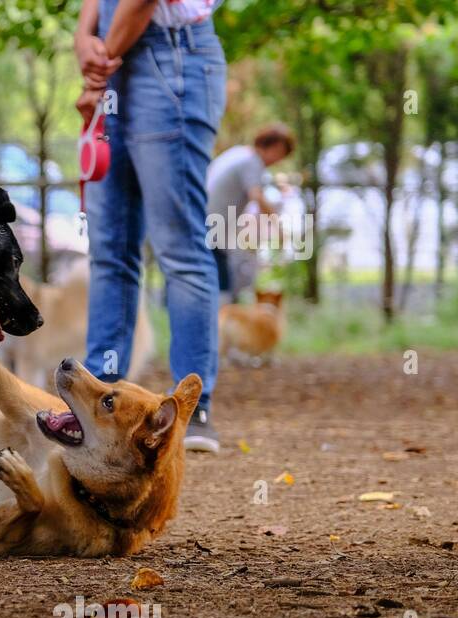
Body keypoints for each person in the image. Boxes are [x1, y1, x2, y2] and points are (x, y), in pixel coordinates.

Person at [74, 0, 227, 453]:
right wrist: (84, 39)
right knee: (110, 249)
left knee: (179, 247)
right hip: (115, 57)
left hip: (171, 57)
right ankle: (97, 397)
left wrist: (97, 66)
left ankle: (190, 409)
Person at [207, 124, 296, 300]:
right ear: (274, 146)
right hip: (211, 224)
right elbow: (257, 196)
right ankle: (222, 320)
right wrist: (278, 227)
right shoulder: (252, 162)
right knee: (222, 284)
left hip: (207, 221)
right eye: (280, 154)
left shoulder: (241, 153)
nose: (278, 160)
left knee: (217, 276)